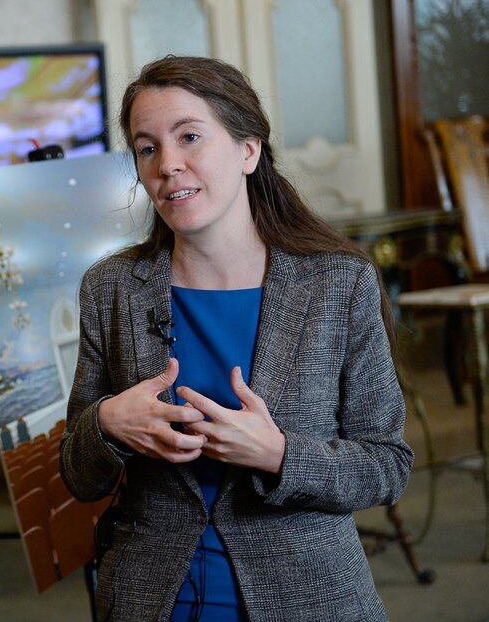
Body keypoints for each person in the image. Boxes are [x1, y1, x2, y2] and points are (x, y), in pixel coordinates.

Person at [58, 55, 413, 621]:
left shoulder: (338, 283)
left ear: (249, 150)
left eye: (190, 137)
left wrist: (278, 456)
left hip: (310, 597)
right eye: (147, 148)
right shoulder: (112, 288)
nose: (168, 165)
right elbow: (78, 475)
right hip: (152, 600)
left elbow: (386, 465)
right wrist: (106, 425)